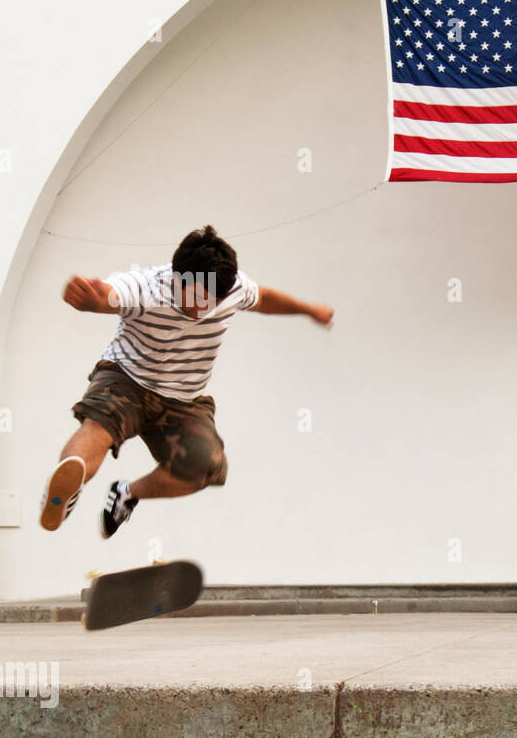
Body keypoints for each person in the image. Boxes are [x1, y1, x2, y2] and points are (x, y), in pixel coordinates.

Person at [39, 225, 334, 537]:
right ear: (177, 279)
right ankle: (66, 485)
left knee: (205, 466)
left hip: (184, 399)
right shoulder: (147, 287)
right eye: (196, 298)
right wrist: (91, 300)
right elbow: (109, 295)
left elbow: (265, 299)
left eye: (212, 302)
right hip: (127, 379)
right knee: (101, 424)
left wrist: (309, 310)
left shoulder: (232, 288)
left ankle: (127, 493)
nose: (203, 309)